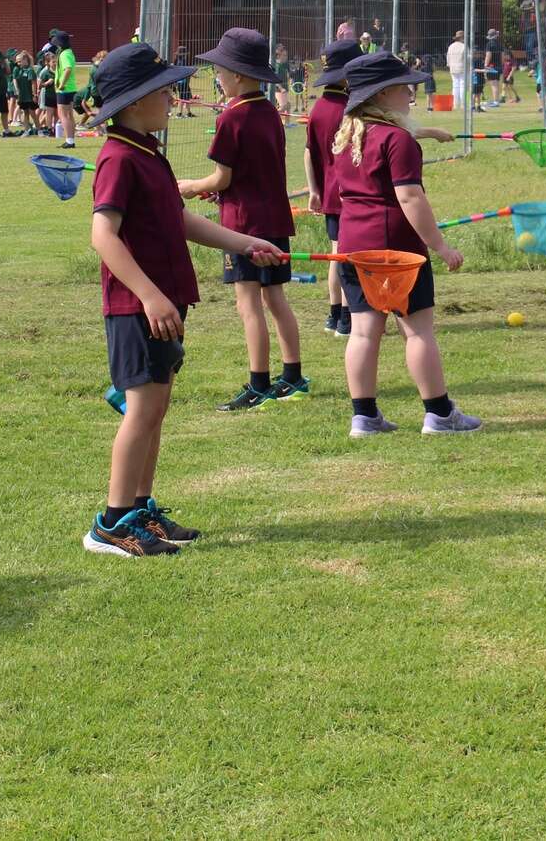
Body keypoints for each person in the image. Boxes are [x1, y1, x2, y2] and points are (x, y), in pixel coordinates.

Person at [82, 43, 284, 557]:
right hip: (139, 307)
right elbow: (103, 237)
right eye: (164, 90)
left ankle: (140, 510)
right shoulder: (118, 158)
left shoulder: (149, 152)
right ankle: (110, 524)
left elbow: (179, 219)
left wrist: (245, 243)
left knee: (156, 408)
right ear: (133, 103)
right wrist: (149, 297)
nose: (174, 98)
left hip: (167, 303)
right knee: (141, 411)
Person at [330, 52, 480, 437]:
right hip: (396, 251)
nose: (411, 93)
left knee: (363, 331)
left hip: (352, 246)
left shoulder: (347, 138)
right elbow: (410, 198)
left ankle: (363, 416)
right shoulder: (398, 140)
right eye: (404, 88)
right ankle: (440, 414)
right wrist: (441, 246)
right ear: (383, 95)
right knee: (417, 330)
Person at [174, 28, 304, 412]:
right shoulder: (269, 112)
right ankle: (293, 376)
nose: (216, 76)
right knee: (276, 298)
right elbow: (251, 172)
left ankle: (258, 384)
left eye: (221, 70)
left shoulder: (231, 118)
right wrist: (218, 188)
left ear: (241, 75)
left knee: (248, 304)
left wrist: (192, 185)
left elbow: (223, 177)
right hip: (274, 218)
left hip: (243, 225)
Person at [305, 39, 361, 338]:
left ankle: (334, 314)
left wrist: (314, 190)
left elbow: (308, 152)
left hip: (327, 192)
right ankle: (349, 317)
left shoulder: (317, 109)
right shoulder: (351, 109)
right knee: (349, 256)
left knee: (335, 253)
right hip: (350, 194)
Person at [51, 29, 80, 147]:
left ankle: (69, 140)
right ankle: (70, 140)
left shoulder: (64, 54)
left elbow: (68, 69)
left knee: (63, 115)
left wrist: (62, 83)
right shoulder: (68, 52)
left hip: (64, 89)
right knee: (69, 115)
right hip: (70, 88)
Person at [11, 50, 38, 137]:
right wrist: (17, 91)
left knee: (32, 113)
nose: (18, 63)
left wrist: (34, 95)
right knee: (25, 113)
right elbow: (15, 80)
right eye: (17, 61)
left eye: (19, 61)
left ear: (25, 60)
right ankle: (26, 130)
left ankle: (39, 130)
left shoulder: (30, 70)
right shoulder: (19, 70)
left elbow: (34, 83)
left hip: (29, 96)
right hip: (22, 96)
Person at [446, 30, 467, 107]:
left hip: (453, 67)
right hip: (462, 67)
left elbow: (448, 57)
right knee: (462, 85)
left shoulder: (451, 46)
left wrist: (449, 65)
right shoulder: (464, 46)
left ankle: (455, 104)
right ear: (462, 38)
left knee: (455, 85)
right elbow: (467, 59)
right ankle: (463, 104)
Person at [482, 28, 503, 106]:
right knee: (496, 83)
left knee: (493, 84)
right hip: (498, 66)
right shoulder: (500, 44)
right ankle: (496, 100)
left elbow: (488, 55)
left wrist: (485, 65)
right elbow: (502, 56)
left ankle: (495, 102)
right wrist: (501, 65)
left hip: (491, 66)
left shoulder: (489, 44)